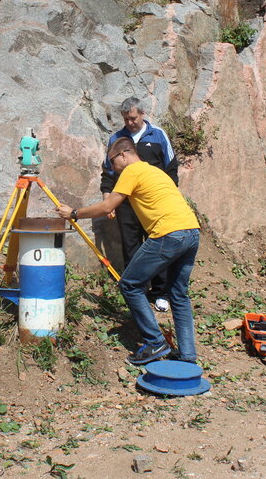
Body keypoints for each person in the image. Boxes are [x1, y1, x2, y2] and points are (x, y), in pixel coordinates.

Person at [56, 136, 200, 365]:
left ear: (123, 155)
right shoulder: (155, 171)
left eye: (112, 162)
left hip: (168, 233)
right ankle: (188, 354)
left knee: (129, 284)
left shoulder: (131, 172)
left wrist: (73, 213)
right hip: (191, 231)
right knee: (179, 295)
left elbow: (106, 206)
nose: (112, 168)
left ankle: (155, 342)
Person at [100, 97, 179, 313]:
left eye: (133, 118)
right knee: (131, 247)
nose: (130, 123)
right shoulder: (117, 139)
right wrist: (109, 199)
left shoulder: (158, 135)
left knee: (158, 245)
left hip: (154, 203)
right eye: (126, 119)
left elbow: (171, 167)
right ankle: (137, 291)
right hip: (126, 203)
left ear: (142, 113)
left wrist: (167, 197)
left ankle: (160, 293)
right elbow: (108, 173)